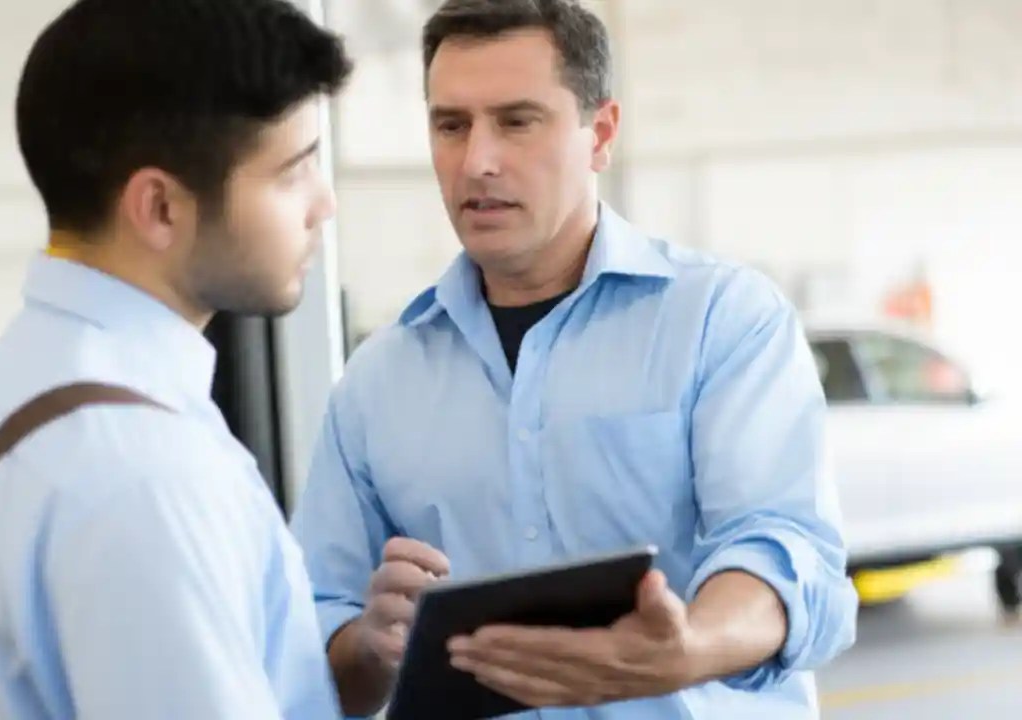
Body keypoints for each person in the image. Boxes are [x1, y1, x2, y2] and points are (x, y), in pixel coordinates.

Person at [289, 0, 858, 718]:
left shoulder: (721, 321)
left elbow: (788, 552)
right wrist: (366, 645)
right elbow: (313, 633)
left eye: (517, 121)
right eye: (451, 125)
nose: (478, 161)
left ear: (601, 134)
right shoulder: (377, 382)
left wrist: (688, 648)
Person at [0, 0, 352, 717]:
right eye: (292, 171)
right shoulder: (142, 469)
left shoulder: (18, 391)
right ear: (160, 209)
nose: (322, 203)